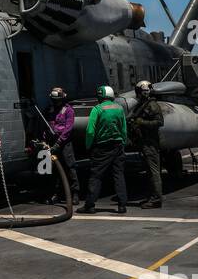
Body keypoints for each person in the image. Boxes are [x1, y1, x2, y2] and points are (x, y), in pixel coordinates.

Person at [79, 85, 128, 214]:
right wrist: (123, 142)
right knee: (118, 175)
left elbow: (90, 131)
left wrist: (88, 146)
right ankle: (122, 205)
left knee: (96, 176)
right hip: (118, 145)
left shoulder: (97, 109)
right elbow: (124, 129)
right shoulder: (119, 108)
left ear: (100, 97)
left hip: (102, 147)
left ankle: (90, 205)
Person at [44, 87, 81, 204]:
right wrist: (44, 139)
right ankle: (56, 194)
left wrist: (59, 143)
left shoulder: (68, 110)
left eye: (58, 100)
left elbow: (68, 129)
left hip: (64, 143)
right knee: (54, 170)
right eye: (54, 100)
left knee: (70, 167)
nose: (56, 102)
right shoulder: (49, 110)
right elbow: (47, 126)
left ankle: (75, 193)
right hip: (52, 142)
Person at [131, 80, 164, 209]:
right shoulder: (143, 105)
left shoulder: (152, 105)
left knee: (154, 172)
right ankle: (152, 197)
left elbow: (159, 122)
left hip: (150, 143)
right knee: (150, 172)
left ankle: (156, 199)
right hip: (145, 142)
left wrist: (141, 122)